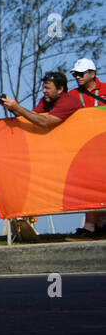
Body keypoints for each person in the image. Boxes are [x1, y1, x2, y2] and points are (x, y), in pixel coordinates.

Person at [68, 58, 105, 233]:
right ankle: (93, 225)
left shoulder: (105, 90)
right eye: (75, 74)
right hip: (86, 149)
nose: (78, 77)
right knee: (93, 185)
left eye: (81, 74)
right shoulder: (73, 95)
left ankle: (95, 225)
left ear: (93, 74)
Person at [0, 71, 80, 127]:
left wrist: (18, 107)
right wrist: (11, 108)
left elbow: (45, 122)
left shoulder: (68, 101)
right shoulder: (46, 100)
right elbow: (31, 117)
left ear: (60, 90)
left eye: (47, 88)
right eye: (43, 88)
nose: (43, 91)